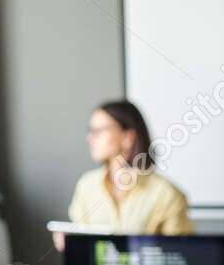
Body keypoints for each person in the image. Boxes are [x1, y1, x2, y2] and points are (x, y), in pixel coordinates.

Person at [56, 100, 194, 248]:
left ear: (128, 137)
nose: (89, 138)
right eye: (90, 130)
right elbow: (83, 246)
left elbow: (180, 253)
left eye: (98, 131)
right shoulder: (86, 185)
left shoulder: (166, 193)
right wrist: (70, 244)